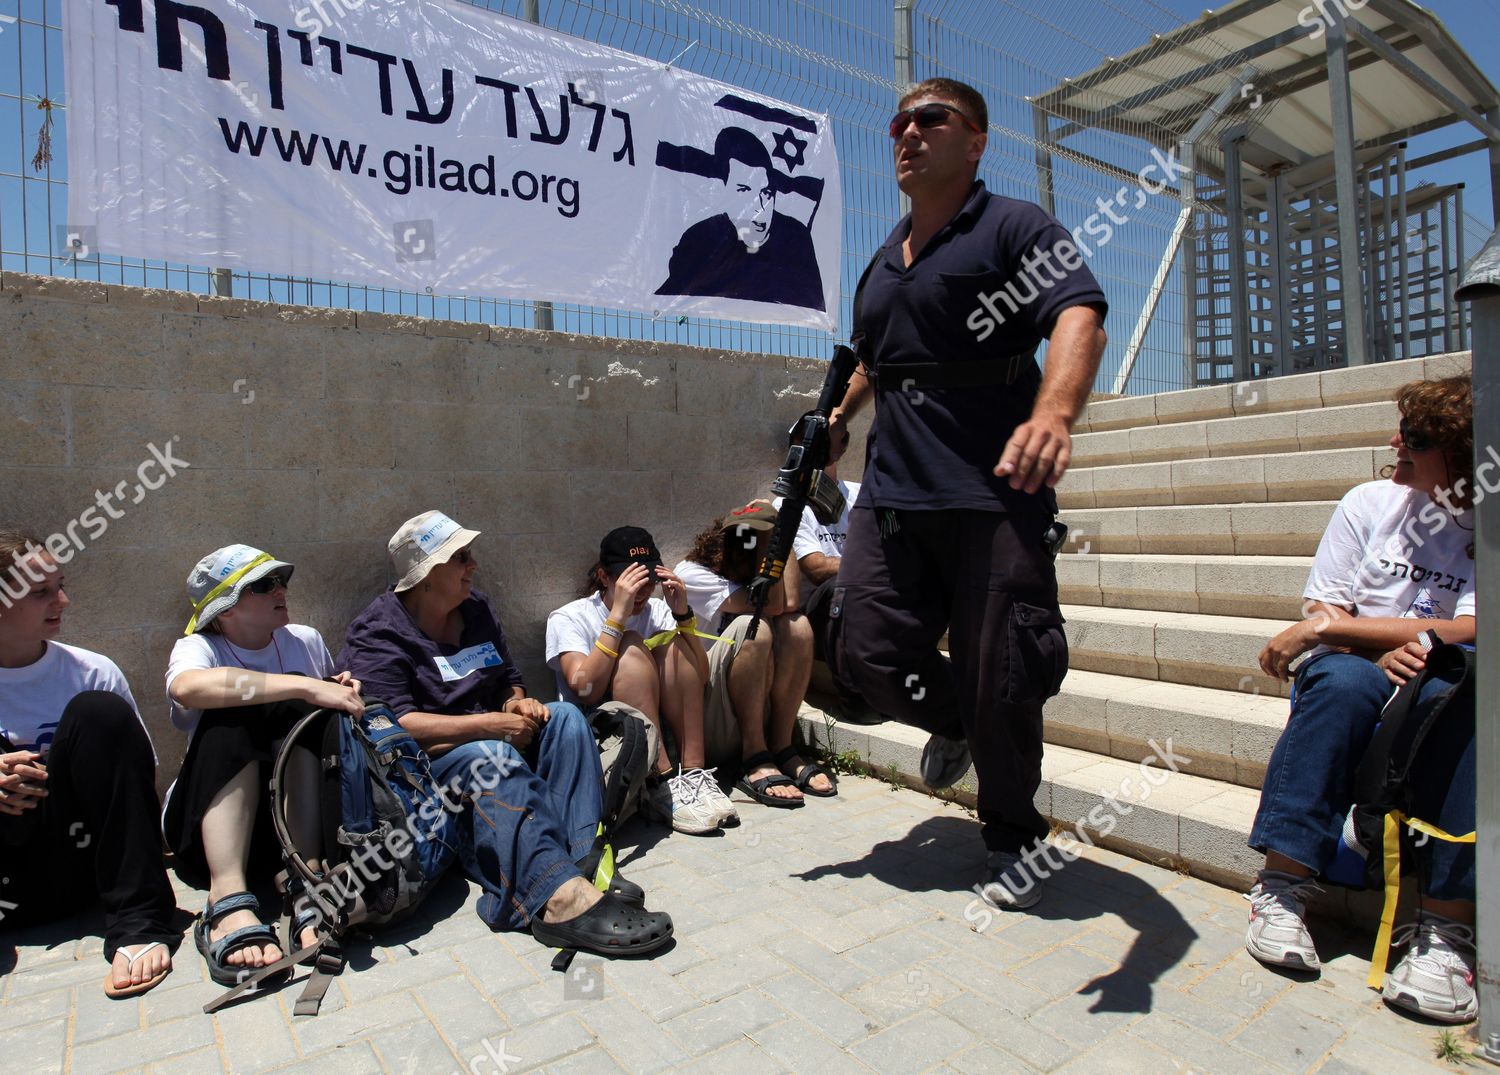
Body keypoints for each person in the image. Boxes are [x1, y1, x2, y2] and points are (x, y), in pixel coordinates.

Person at [824, 77, 1108, 911]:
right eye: (898, 124)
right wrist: (838, 417)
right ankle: (956, 722)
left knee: (1006, 674)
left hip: (995, 494)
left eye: (931, 120)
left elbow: (1080, 311)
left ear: (976, 139)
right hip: (893, 495)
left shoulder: (1015, 226)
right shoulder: (883, 258)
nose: (908, 134)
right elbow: (876, 354)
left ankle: (1013, 834)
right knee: (866, 652)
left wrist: (1055, 412)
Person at [1246, 373, 1477, 1024]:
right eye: (1403, 429)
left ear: (1460, 455)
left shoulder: (1483, 525)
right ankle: (1283, 885)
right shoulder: (1369, 503)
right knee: (1342, 681)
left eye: (1418, 437)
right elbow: (1327, 604)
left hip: (1440, 676)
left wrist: (1415, 640)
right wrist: (1360, 641)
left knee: (1466, 677)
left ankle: (1446, 931)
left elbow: (1470, 627)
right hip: (1358, 667)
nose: (1396, 442)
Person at [338, 511, 672, 955]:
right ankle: (554, 900)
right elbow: (393, 726)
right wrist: (489, 725)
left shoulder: (475, 609)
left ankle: (579, 864)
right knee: (490, 755)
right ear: (425, 576)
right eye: (460, 558)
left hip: (496, 740)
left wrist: (516, 702)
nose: (472, 565)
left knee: (567, 720)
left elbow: (508, 678)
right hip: (434, 769)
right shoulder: (379, 631)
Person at [163, 543, 360, 987]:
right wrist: (303, 687)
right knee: (233, 710)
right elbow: (188, 689)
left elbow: (322, 708)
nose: (281, 589)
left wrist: (334, 690)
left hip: (291, 833)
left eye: (282, 580)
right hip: (211, 837)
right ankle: (226, 898)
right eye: (263, 584)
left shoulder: (304, 640)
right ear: (226, 609)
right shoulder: (200, 647)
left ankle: (307, 878)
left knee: (302, 710)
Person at [0, 528, 178, 998]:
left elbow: (131, 793)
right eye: (41, 592)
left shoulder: (89, 671)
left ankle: (142, 924)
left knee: (97, 710)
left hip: (77, 872)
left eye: (61, 584)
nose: (62, 600)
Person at [547, 526, 736, 835]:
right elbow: (585, 689)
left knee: (677, 646)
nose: (644, 589)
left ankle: (693, 776)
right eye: (632, 580)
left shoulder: (658, 610)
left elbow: (699, 676)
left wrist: (684, 616)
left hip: (662, 734)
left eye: (650, 578)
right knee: (631, 645)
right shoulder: (569, 618)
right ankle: (657, 785)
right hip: (607, 741)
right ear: (605, 577)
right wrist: (617, 620)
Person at [675, 499, 833, 805]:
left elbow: (789, 604)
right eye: (741, 539)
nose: (744, 547)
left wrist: (781, 536)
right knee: (754, 626)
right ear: (722, 539)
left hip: (757, 703)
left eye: (757, 541)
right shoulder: (692, 573)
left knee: (797, 626)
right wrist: (764, 549)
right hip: (711, 714)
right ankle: (755, 756)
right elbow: (771, 606)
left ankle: (782, 747)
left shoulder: (762, 556)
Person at [656, 126, 824, 310]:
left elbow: (812, 306)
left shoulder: (795, 237)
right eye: (743, 191)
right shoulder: (700, 238)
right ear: (723, 192)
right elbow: (664, 299)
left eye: (766, 193)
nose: (759, 207)